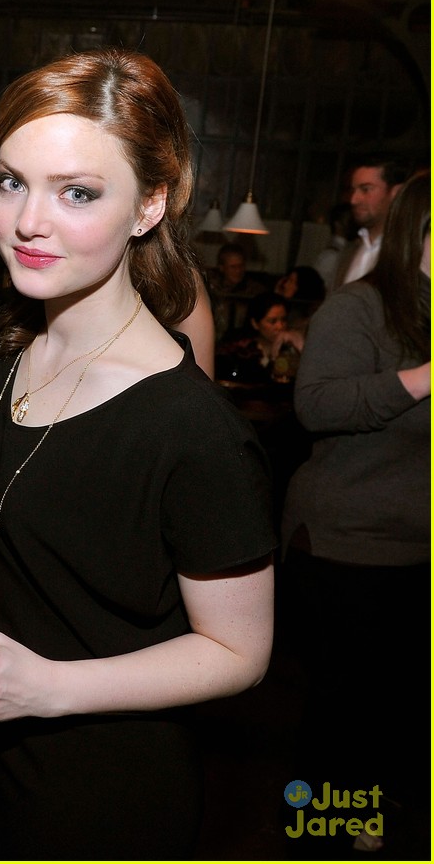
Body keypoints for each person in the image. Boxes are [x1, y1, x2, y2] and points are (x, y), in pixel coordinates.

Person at [0, 49, 275, 859]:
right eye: (10, 182)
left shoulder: (193, 428)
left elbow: (240, 652)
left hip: (97, 796)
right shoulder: (3, 352)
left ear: (148, 206)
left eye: (77, 192)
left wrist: (47, 688)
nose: (28, 221)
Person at [281, 170, 429, 852]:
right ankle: (321, 832)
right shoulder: (361, 308)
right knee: (344, 718)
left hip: (417, 550)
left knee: (396, 716)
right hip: (348, 549)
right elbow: (317, 404)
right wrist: (423, 378)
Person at [333, 157, 409, 287]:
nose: (354, 200)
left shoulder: (409, 253)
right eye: (353, 190)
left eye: (366, 189)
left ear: (396, 192)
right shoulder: (349, 251)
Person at [215, 291, 304, 383]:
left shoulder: (291, 349)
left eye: (283, 320)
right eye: (272, 321)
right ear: (255, 323)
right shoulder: (239, 350)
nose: (280, 326)